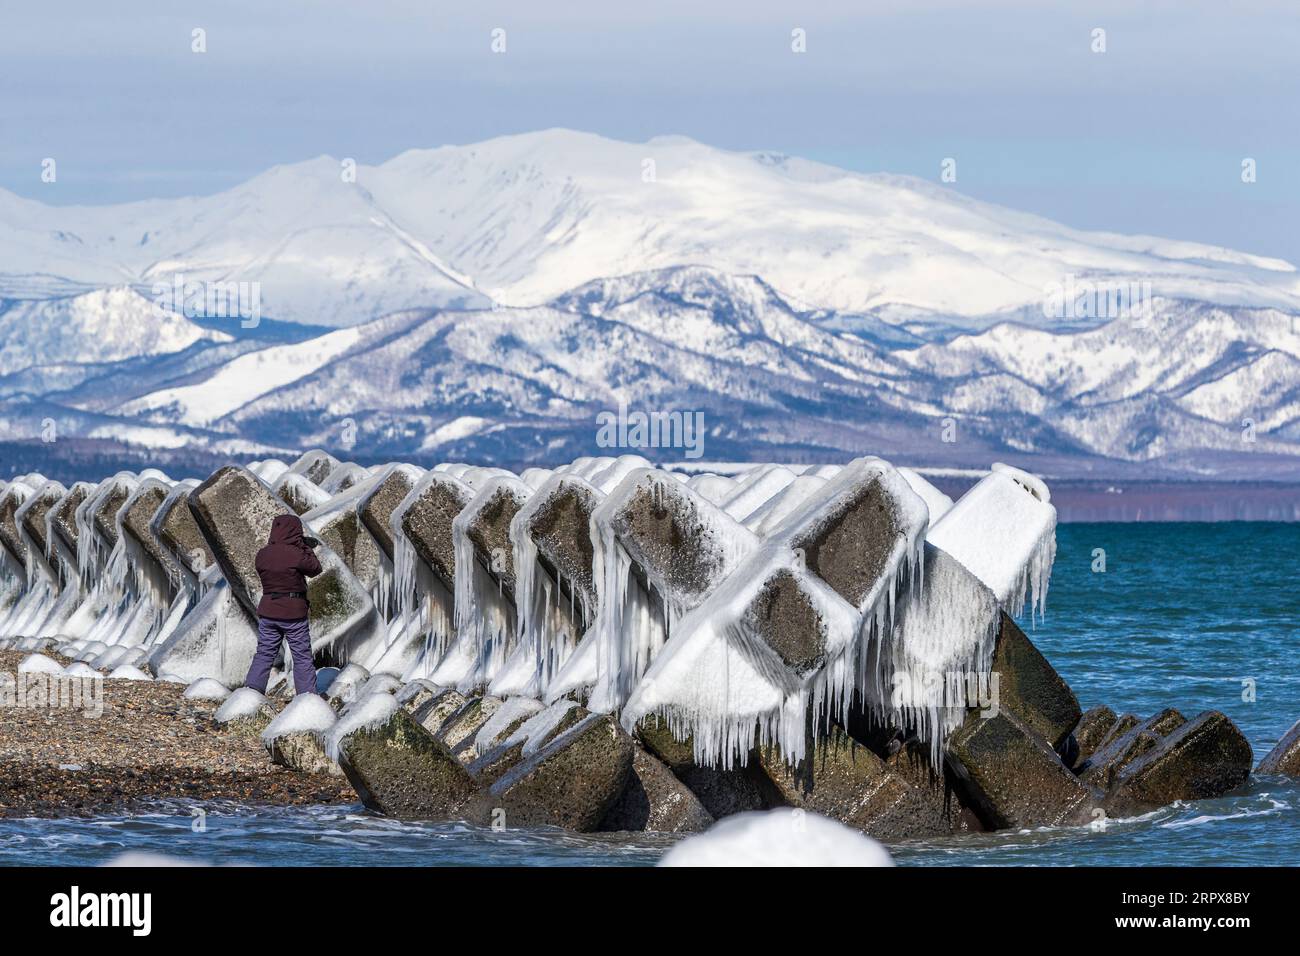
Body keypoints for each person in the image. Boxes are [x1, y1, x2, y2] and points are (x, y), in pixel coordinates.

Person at [244, 513, 323, 696]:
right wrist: (304, 546)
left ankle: (251, 693)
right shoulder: (296, 553)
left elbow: (276, 564)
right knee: (301, 657)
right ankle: (306, 696)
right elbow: (315, 569)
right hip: (293, 613)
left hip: (268, 611)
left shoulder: (262, 554)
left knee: (264, 653)